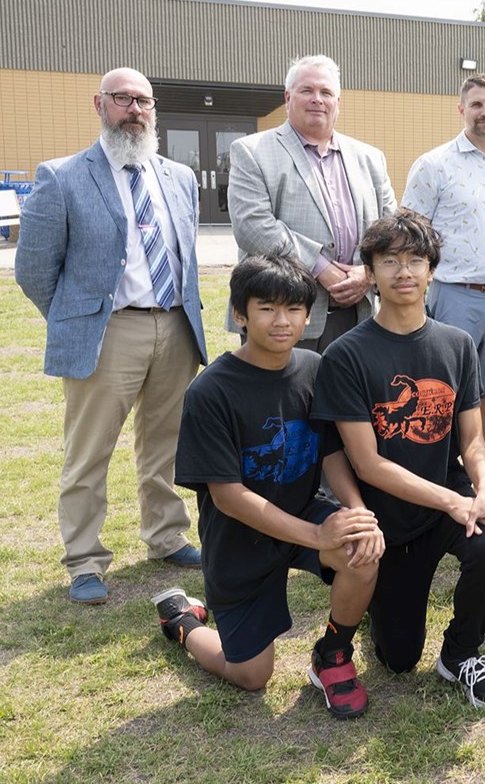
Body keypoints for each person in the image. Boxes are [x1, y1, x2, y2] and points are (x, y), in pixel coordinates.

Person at [14, 67, 207, 604]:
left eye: (144, 100)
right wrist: (77, 318)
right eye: (123, 99)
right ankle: (84, 560)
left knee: (167, 442)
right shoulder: (62, 177)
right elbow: (33, 269)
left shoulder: (179, 177)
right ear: (99, 105)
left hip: (175, 325)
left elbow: (186, 254)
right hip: (109, 330)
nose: (135, 110)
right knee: (89, 450)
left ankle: (166, 536)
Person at [158, 255, 380, 719]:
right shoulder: (210, 392)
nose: (282, 321)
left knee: (362, 549)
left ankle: (333, 655)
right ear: (239, 314)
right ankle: (182, 619)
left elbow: (332, 453)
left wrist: (358, 512)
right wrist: (317, 535)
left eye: (294, 309)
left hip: (301, 509)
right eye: (267, 309)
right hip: (241, 538)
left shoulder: (315, 368)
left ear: (308, 315)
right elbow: (228, 497)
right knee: (251, 676)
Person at [311, 211, 485, 708]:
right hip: (388, 516)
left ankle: (461, 654)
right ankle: (370, 610)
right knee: (398, 659)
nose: (404, 272)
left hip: (444, 500)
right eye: (390, 261)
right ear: (370, 273)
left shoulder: (457, 344)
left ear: (432, 272)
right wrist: (453, 501)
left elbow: (473, 440)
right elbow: (367, 464)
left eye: (415, 261)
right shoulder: (346, 355)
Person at [228, 54, 397, 353]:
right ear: (288, 97)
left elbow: (390, 228)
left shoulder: (370, 158)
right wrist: (320, 268)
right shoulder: (251, 151)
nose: (317, 99)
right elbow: (252, 227)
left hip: (356, 314)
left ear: (338, 102)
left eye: (326, 92)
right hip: (282, 313)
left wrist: (367, 272)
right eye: (307, 90)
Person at [401, 73, 485, 380]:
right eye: (477, 104)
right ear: (461, 109)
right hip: (454, 294)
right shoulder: (433, 165)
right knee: (447, 382)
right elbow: (411, 235)